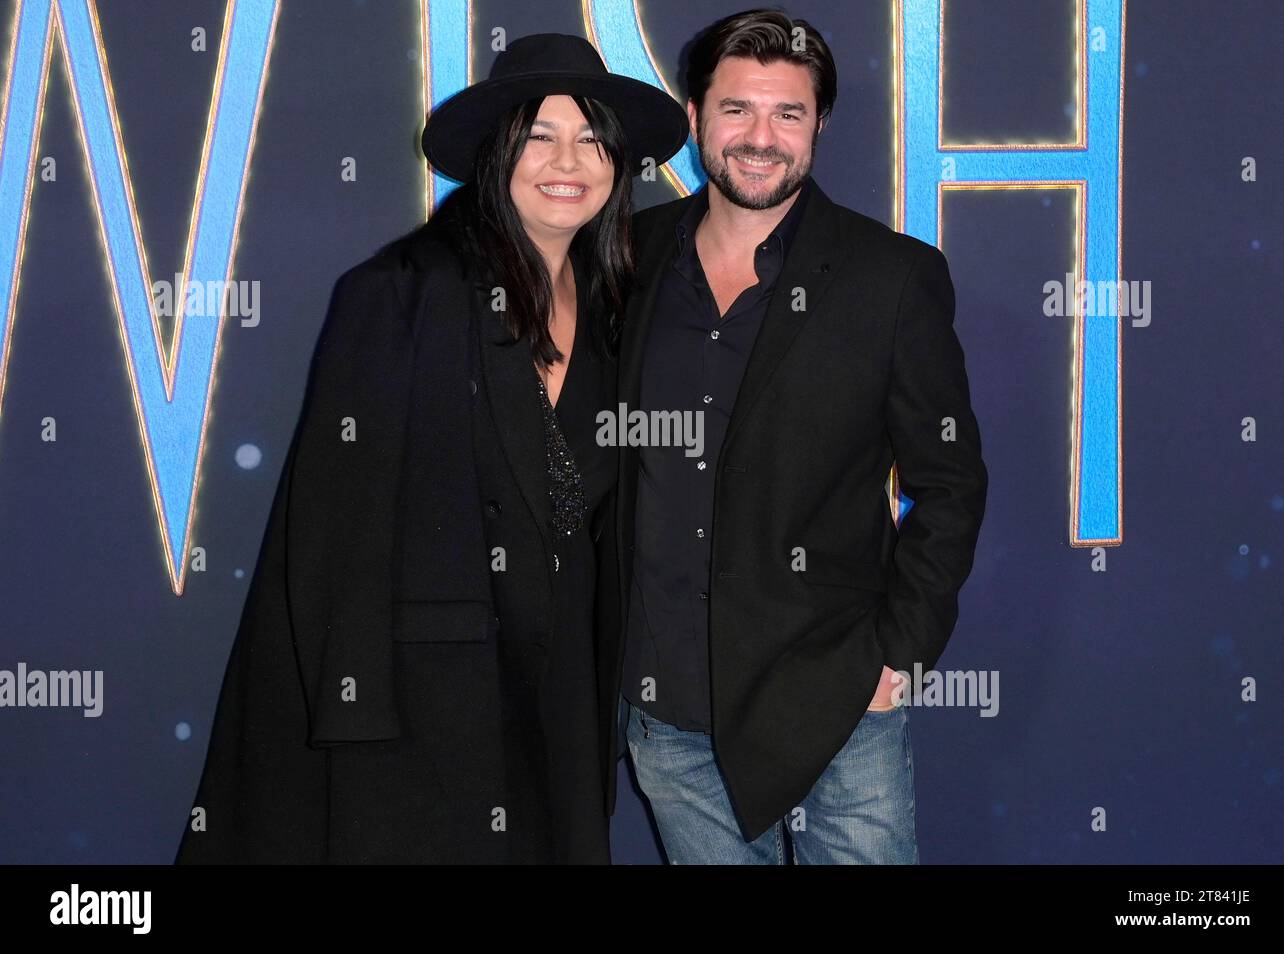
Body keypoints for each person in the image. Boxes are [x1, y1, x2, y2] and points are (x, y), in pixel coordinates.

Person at [176, 33, 687, 864]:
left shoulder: (616, 313)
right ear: (496, 153)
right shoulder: (402, 294)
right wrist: (352, 712)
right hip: (423, 703)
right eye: (540, 137)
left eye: (593, 138)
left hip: (560, 701)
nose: (570, 161)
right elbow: (336, 523)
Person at [614, 10, 989, 863]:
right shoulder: (626, 259)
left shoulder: (891, 278)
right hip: (667, 706)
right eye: (737, 109)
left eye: (788, 113)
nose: (760, 138)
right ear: (697, 116)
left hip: (833, 701)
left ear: (818, 124)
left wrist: (900, 657)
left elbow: (951, 480)